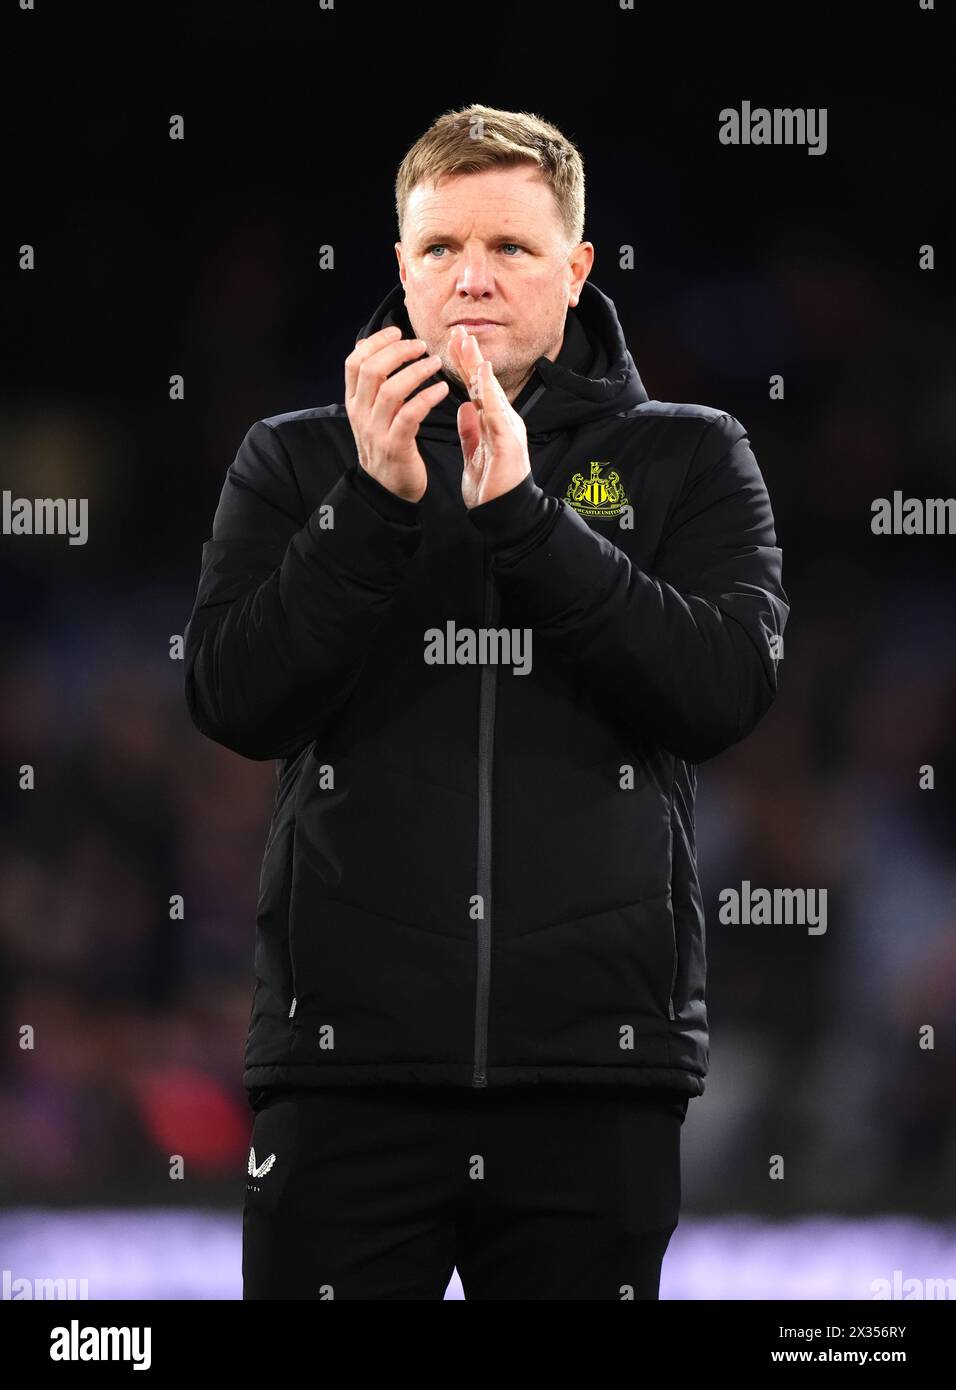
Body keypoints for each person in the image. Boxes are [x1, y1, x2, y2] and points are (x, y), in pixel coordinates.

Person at [183, 103, 789, 1300]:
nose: (471, 278)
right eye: (439, 248)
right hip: (342, 1072)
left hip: (592, 1074)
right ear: (398, 268)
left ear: (575, 269)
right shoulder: (296, 460)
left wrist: (524, 520)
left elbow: (720, 691)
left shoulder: (689, 454)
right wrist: (371, 508)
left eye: (509, 248)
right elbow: (233, 699)